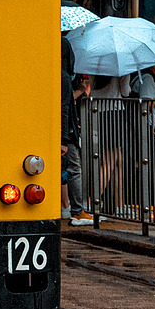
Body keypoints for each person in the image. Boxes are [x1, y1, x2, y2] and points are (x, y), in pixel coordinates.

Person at [61, 42, 91, 226]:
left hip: (60, 131)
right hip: (67, 133)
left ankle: (68, 207)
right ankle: (77, 211)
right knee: (74, 169)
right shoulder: (64, 77)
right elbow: (64, 107)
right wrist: (64, 138)